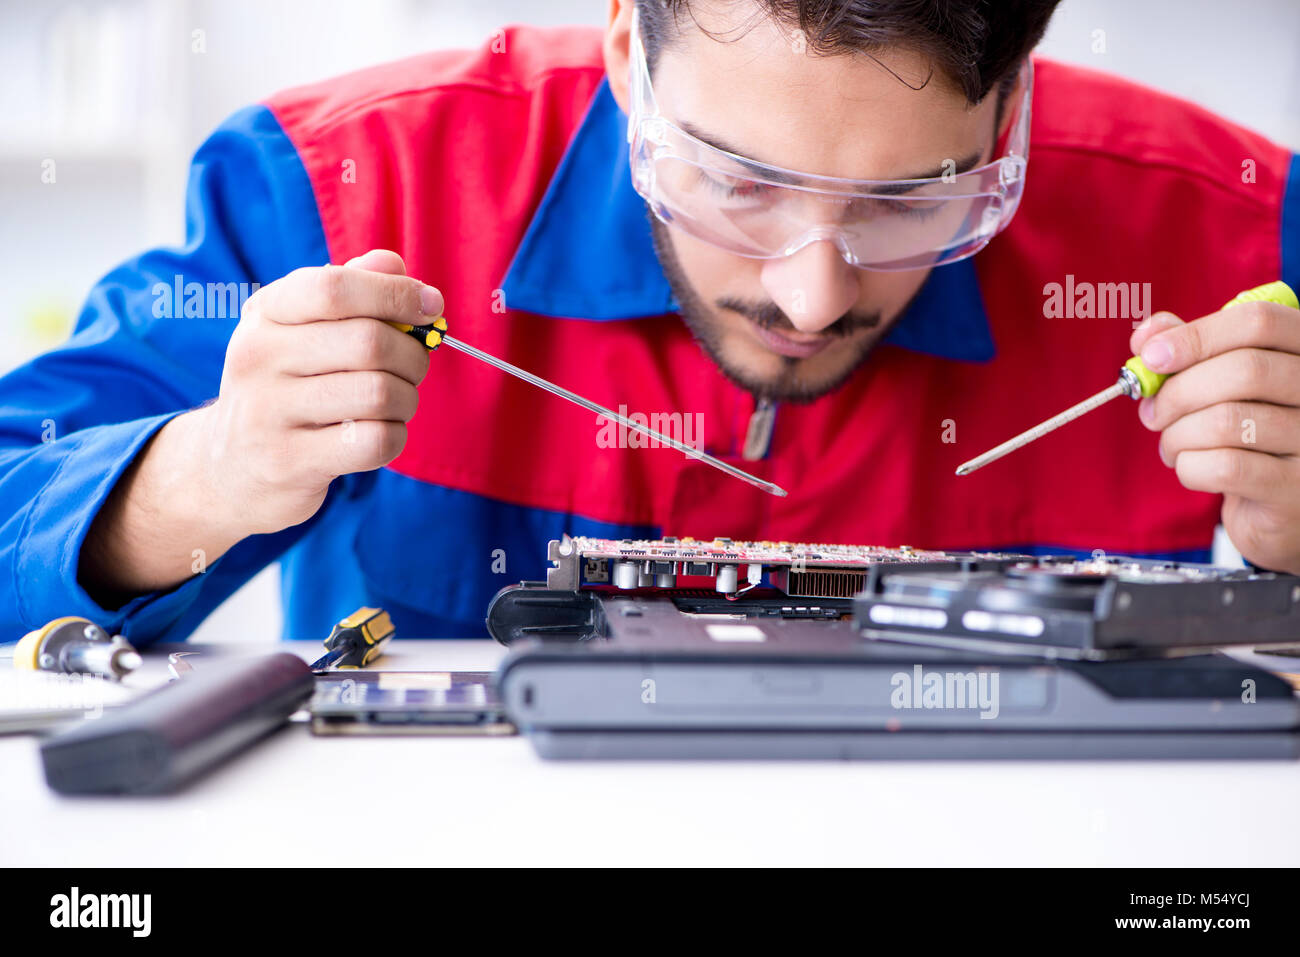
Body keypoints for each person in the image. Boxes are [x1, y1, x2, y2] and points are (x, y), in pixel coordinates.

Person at [2, 0, 1297, 643]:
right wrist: (211, 475)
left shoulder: (1237, 235)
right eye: (736, 181)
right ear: (628, 48)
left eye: (910, 201)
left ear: (1008, 116)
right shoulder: (341, 192)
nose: (812, 296)